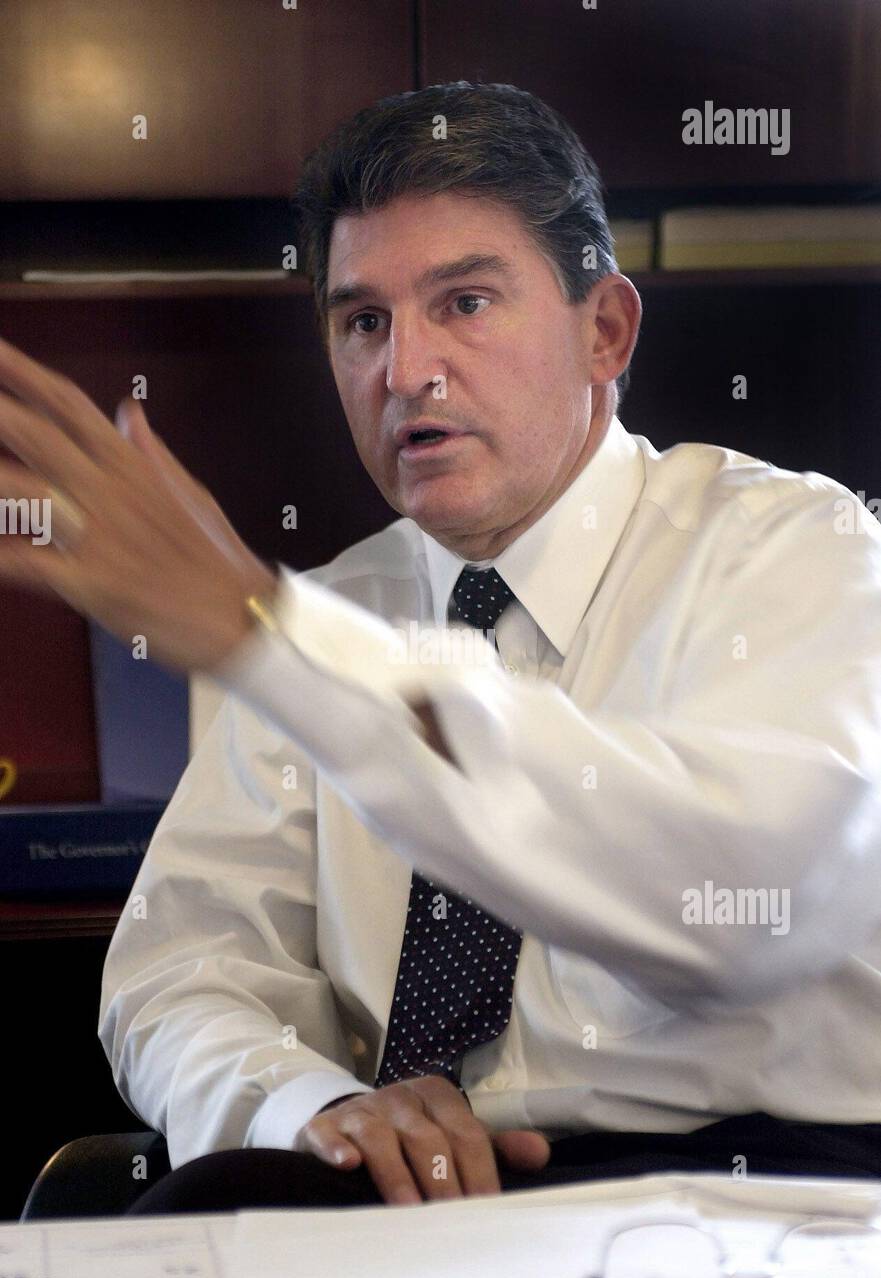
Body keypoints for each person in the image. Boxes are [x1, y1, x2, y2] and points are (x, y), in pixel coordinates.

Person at [3, 83, 881, 1218]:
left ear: (602, 330)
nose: (403, 368)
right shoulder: (320, 607)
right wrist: (303, 1103)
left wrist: (269, 644)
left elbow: (735, 902)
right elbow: (183, 968)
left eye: (463, 303)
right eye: (361, 320)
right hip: (410, 1190)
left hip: (744, 1181)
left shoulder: (800, 552)